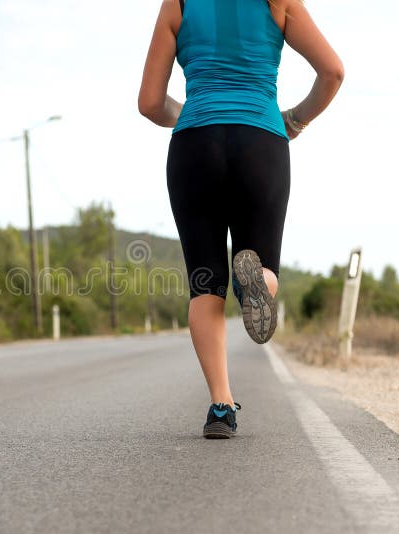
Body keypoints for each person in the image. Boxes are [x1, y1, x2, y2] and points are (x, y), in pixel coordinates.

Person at [138, 0, 343, 438]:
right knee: (263, 263)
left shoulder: (178, 3)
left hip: (194, 145)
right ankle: (260, 285)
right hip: (260, 140)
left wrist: (191, 117)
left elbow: (150, 102)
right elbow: (333, 72)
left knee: (205, 283)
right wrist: (296, 119)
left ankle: (220, 406)